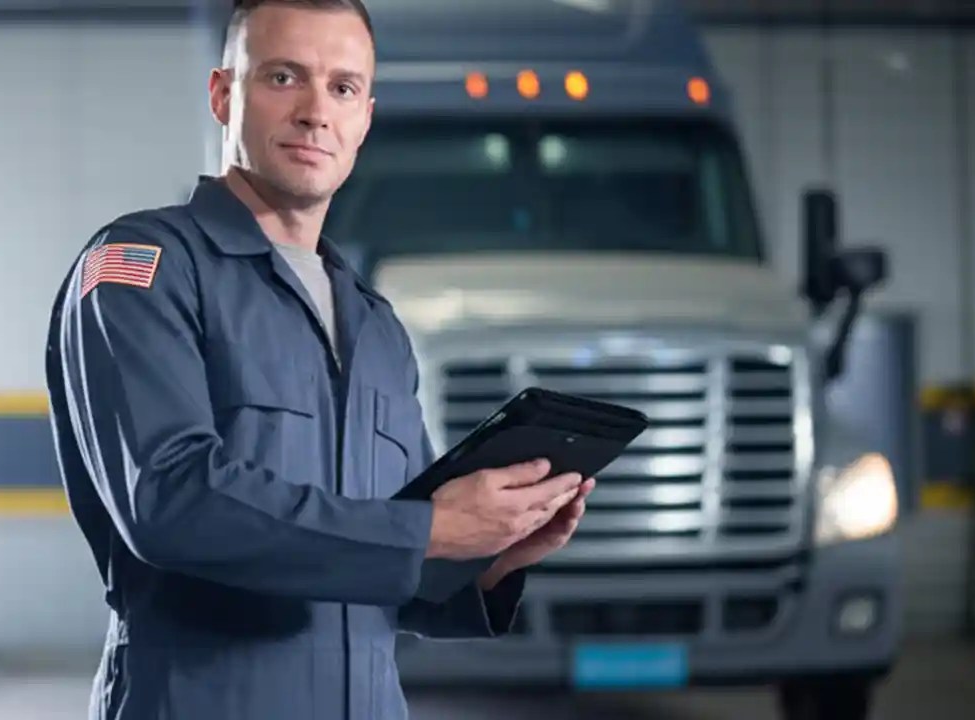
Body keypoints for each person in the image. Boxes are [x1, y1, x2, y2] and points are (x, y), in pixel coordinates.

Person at [44, 1, 596, 717]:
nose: (315, 112)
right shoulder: (144, 270)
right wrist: (430, 529)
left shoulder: (375, 326)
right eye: (283, 77)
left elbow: (389, 568)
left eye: (341, 87)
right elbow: (172, 500)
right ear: (222, 95)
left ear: (366, 115)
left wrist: (491, 555)